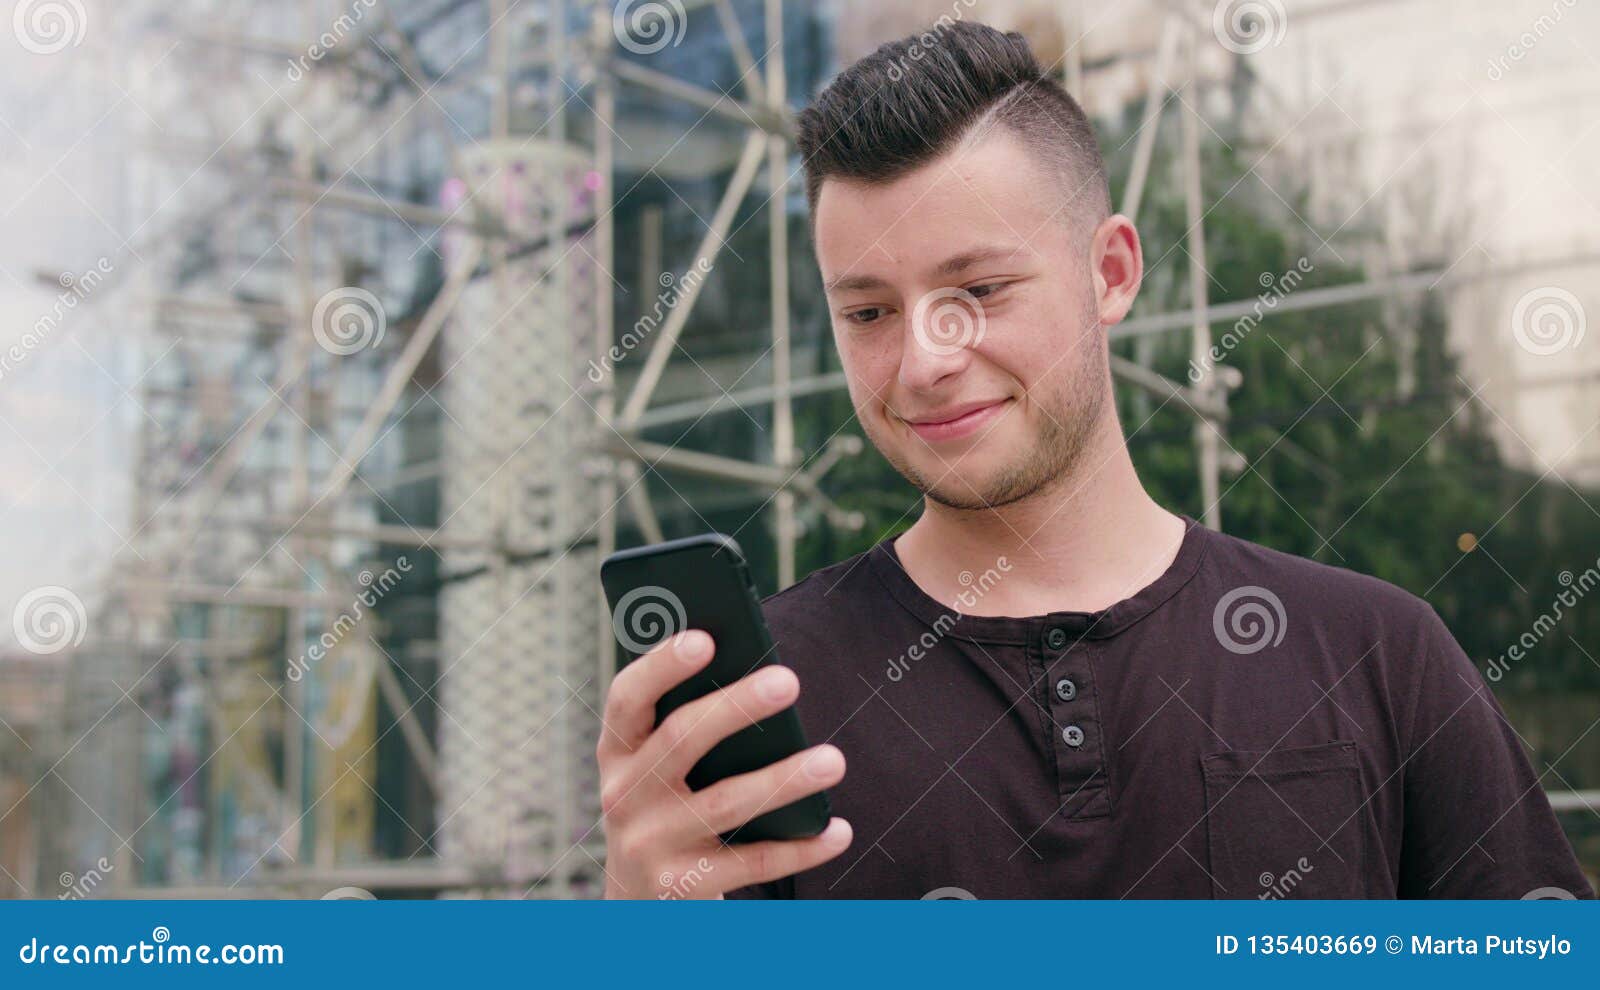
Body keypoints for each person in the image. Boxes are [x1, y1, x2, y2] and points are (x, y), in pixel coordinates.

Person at [595, 21, 1593, 900]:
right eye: (866, 312)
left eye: (979, 290)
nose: (923, 363)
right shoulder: (770, 698)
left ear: (1109, 272)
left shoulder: (1378, 656)